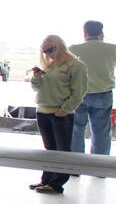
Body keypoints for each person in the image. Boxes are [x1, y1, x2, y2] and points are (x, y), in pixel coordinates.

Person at [29, 35, 88, 194]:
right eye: (45, 51)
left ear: (60, 45)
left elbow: (78, 93)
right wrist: (36, 77)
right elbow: (37, 87)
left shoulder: (75, 65)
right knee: (49, 149)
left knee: (62, 151)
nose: (48, 54)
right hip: (43, 111)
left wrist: (63, 111)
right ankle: (46, 180)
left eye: (50, 49)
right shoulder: (49, 65)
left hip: (60, 114)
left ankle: (57, 183)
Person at [69, 20, 116, 155]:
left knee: (76, 130)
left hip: (78, 94)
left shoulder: (72, 49)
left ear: (84, 32)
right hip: (103, 94)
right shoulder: (114, 49)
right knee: (102, 131)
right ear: (101, 33)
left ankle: (75, 165)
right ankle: (99, 166)